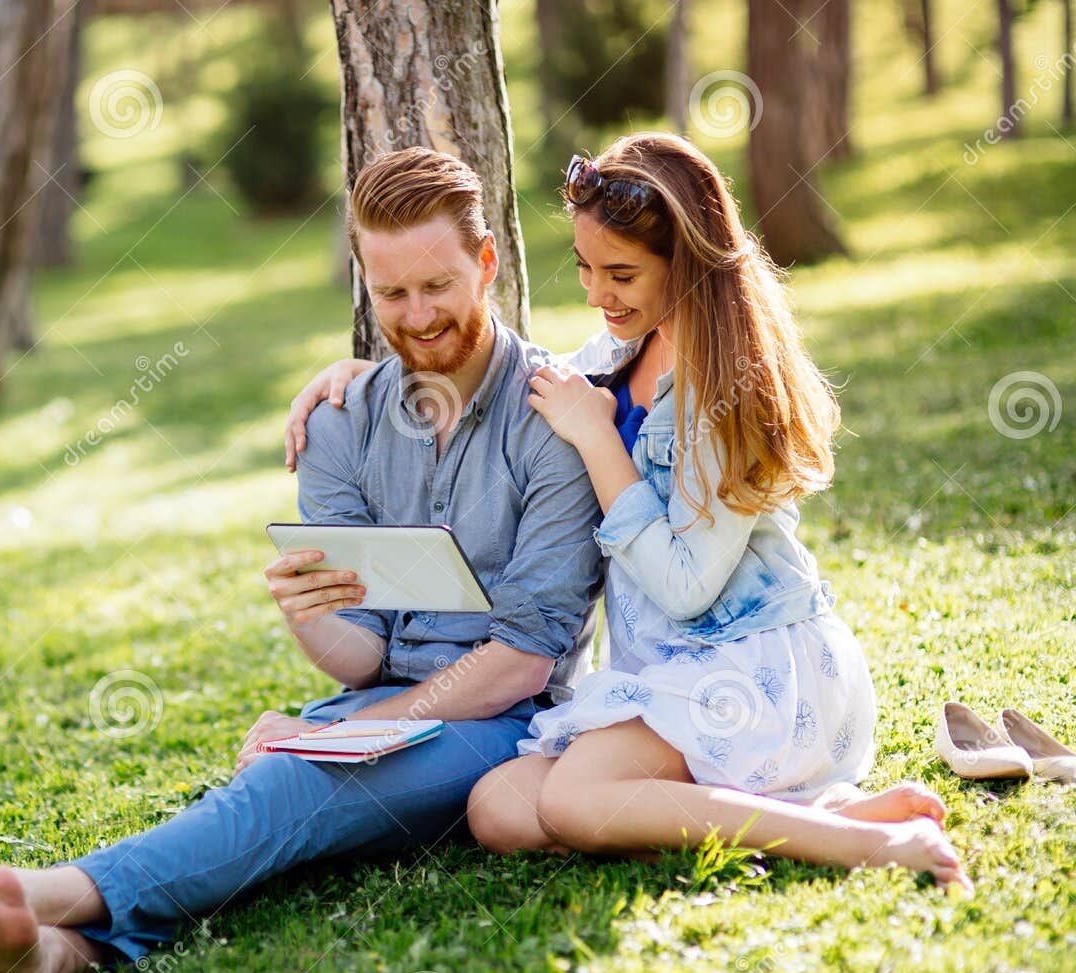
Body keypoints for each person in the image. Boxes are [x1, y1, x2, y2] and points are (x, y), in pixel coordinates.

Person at [0, 147, 612, 973]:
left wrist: (356, 728)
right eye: (391, 293)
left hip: (506, 724)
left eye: (438, 286)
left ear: (487, 262)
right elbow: (360, 657)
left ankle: (38, 888)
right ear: (364, 278)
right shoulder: (343, 421)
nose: (417, 317)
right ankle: (50, 958)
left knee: (285, 789)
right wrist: (308, 617)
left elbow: (526, 661)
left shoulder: (556, 419)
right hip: (374, 708)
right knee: (274, 811)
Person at [285, 133, 971, 894]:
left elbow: (684, 588)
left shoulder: (726, 391)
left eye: (621, 273)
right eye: (584, 267)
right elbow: (518, 378)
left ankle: (852, 840)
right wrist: (365, 372)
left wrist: (594, 438)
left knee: (575, 800)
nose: (596, 293)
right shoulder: (614, 357)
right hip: (667, 679)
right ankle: (812, 813)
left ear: (686, 263)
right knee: (500, 809)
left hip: (756, 671)